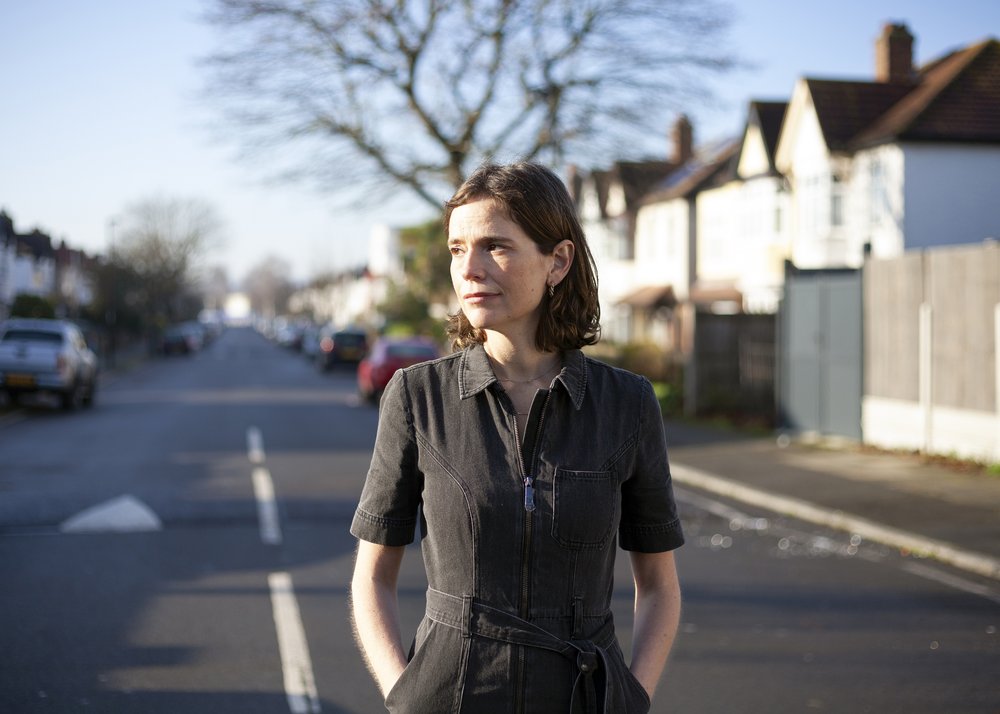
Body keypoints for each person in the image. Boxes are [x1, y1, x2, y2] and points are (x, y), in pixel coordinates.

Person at [350, 161, 684, 713]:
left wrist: (632, 698)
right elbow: (372, 577)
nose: (469, 269)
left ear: (558, 261)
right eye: (458, 249)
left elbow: (658, 586)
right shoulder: (417, 397)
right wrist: (403, 697)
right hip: (451, 699)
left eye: (495, 246)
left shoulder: (627, 404)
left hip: (581, 699)